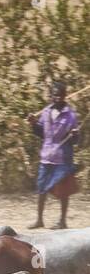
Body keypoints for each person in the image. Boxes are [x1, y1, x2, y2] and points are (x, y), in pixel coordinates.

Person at [30, 80, 81, 229]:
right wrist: (33, 123)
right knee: (41, 188)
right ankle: (39, 220)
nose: (57, 98)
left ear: (65, 96)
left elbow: (75, 140)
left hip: (62, 158)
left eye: (60, 95)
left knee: (63, 191)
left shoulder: (70, 115)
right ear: (50, 96)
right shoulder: (45, 112)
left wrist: (74, 135)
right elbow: (41, 133)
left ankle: (62, 221)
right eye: (54, 95)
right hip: (46, 156)